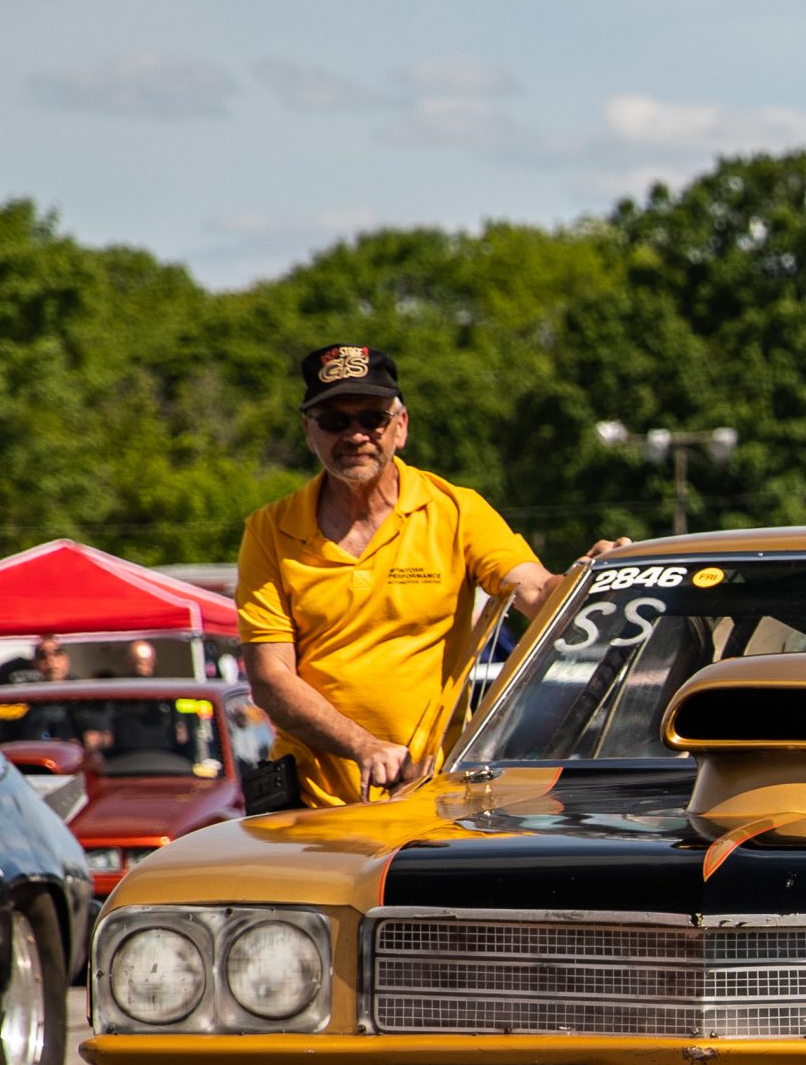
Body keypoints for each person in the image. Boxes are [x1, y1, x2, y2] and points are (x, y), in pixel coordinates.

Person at [237, 343, 603, 807]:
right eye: (334, 421)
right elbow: (271, 678)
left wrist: (594, 576)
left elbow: (534, 590)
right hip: (311, 806)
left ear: (400, 427)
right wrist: (363, 747)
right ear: (309, 432)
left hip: (432, 798)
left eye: (372, 418)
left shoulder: (455, 510)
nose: (355, 435)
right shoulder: (270, 531)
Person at [0, 635, 72, 686]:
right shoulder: (27, 690)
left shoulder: (79, 690)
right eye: (42, 656)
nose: (50, 660)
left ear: (66, 659)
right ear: (34, 662)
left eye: (57, 653)